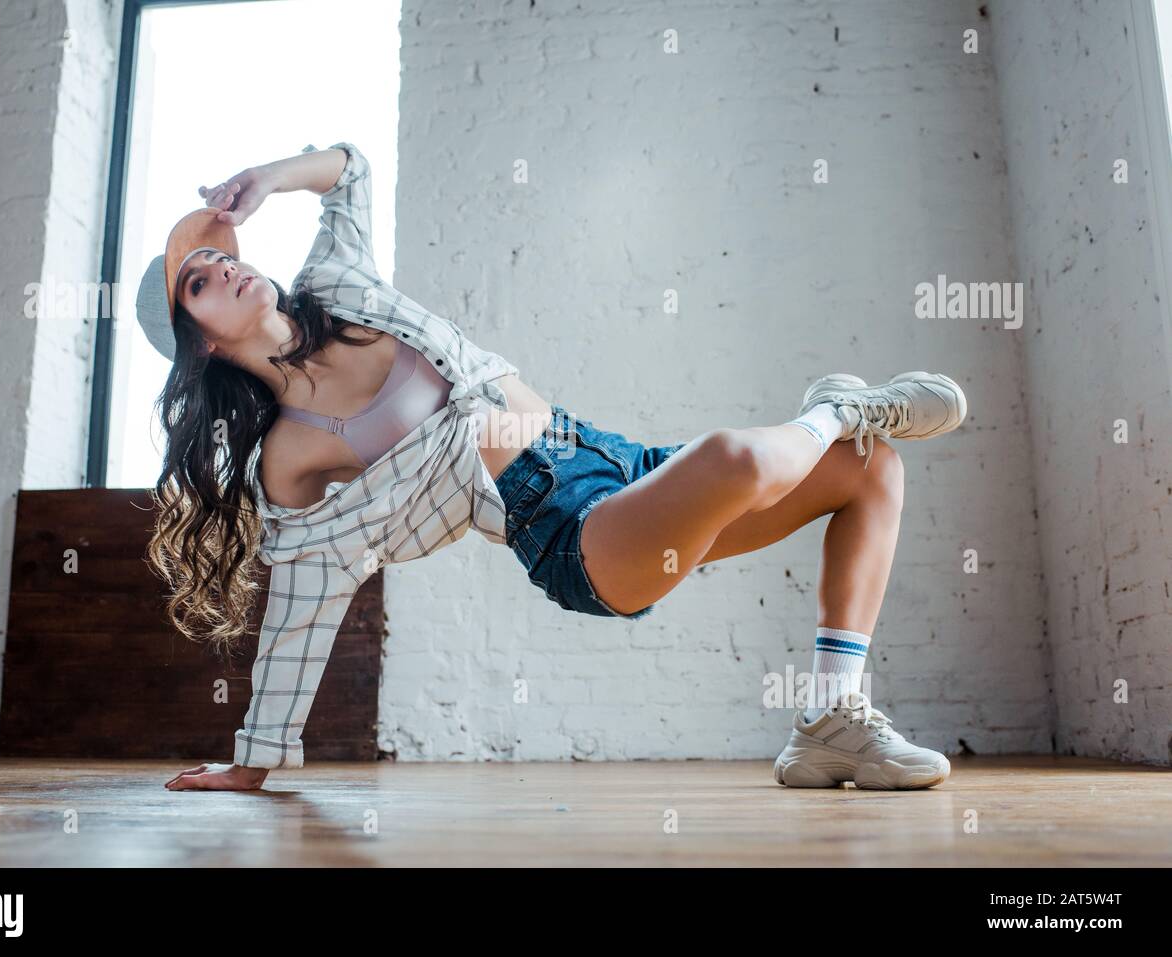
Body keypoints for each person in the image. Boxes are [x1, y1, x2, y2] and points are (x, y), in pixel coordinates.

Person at [134, 142, 967, 794]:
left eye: (225, 254)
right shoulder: (291, 452)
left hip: (608, 455)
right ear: (201, 342)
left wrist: (269, 177)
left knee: (869, 469)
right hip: (568, 532)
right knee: (741, 453)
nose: (230, 266)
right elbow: (302, 604)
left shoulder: (339, 286)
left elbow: (350, 170)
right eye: (203, 282)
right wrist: (253, 760)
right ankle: (835, 408)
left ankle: (827, 719)